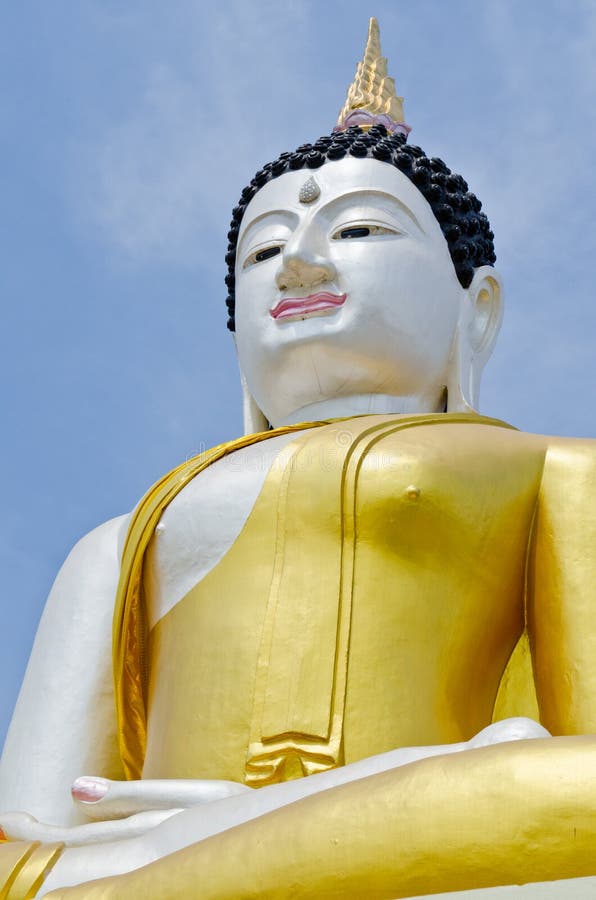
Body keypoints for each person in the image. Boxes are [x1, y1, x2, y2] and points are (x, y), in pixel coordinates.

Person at [1, 18, 596, 898]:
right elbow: (24, 842)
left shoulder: (556, 474)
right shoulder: (123, 542)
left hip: (425, 837)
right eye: (266, 249)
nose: (301, 265)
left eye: (359, 232)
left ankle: (212, 851)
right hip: (124, 864)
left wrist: (228, 829)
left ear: (478, 311)